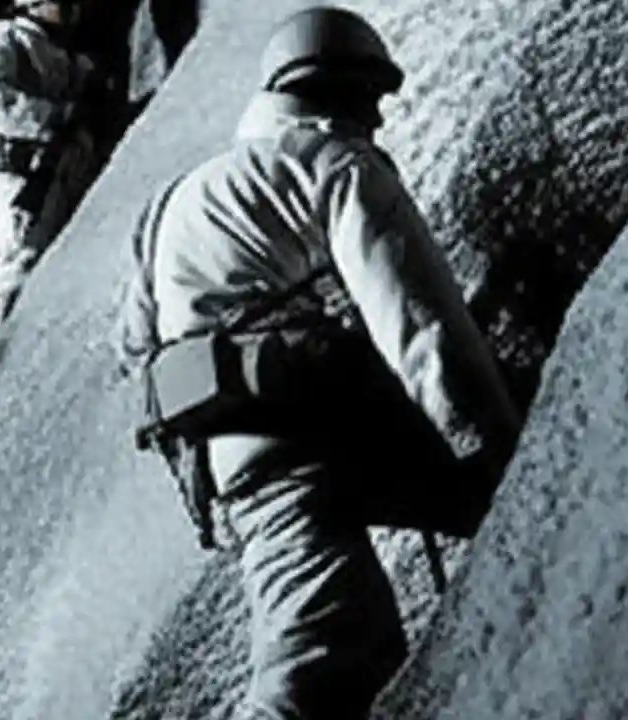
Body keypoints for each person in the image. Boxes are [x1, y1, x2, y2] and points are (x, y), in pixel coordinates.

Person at [118, 8, 523, 718]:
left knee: (355, 649)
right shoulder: (332, 166)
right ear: (340, 85)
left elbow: (133, 347)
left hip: (231, 456)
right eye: (371, 97)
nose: (377, 117)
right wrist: (502, 451)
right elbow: (422, 328)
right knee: (317, 670)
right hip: (303, 440)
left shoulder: (171, 203)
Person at [0, 0, 104, 367]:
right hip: (22, 177)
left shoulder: (66, 54)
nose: (73, 10)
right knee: (17, 275)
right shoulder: (0, 38)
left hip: (68, 176)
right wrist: (52, 116)